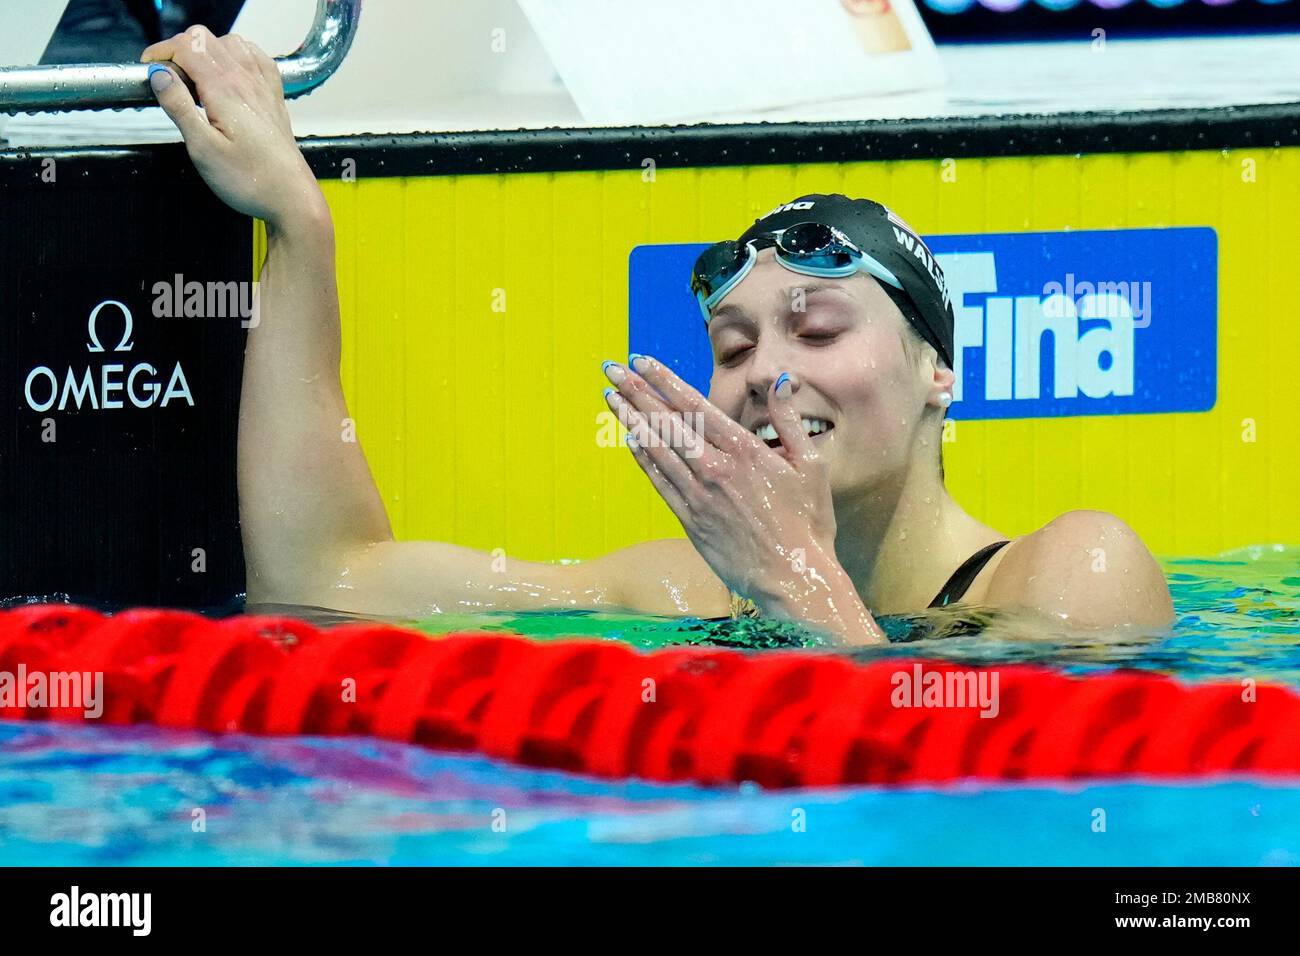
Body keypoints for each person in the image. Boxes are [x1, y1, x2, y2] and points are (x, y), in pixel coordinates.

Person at [141, 26, 1175, 647]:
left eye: (815, 328)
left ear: (936, 370)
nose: (767, 369)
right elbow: (323, 581)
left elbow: (1000, 823)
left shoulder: (1072, 572)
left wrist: (798, 581)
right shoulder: (682, 589)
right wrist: (296, 224)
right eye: (730, 347)